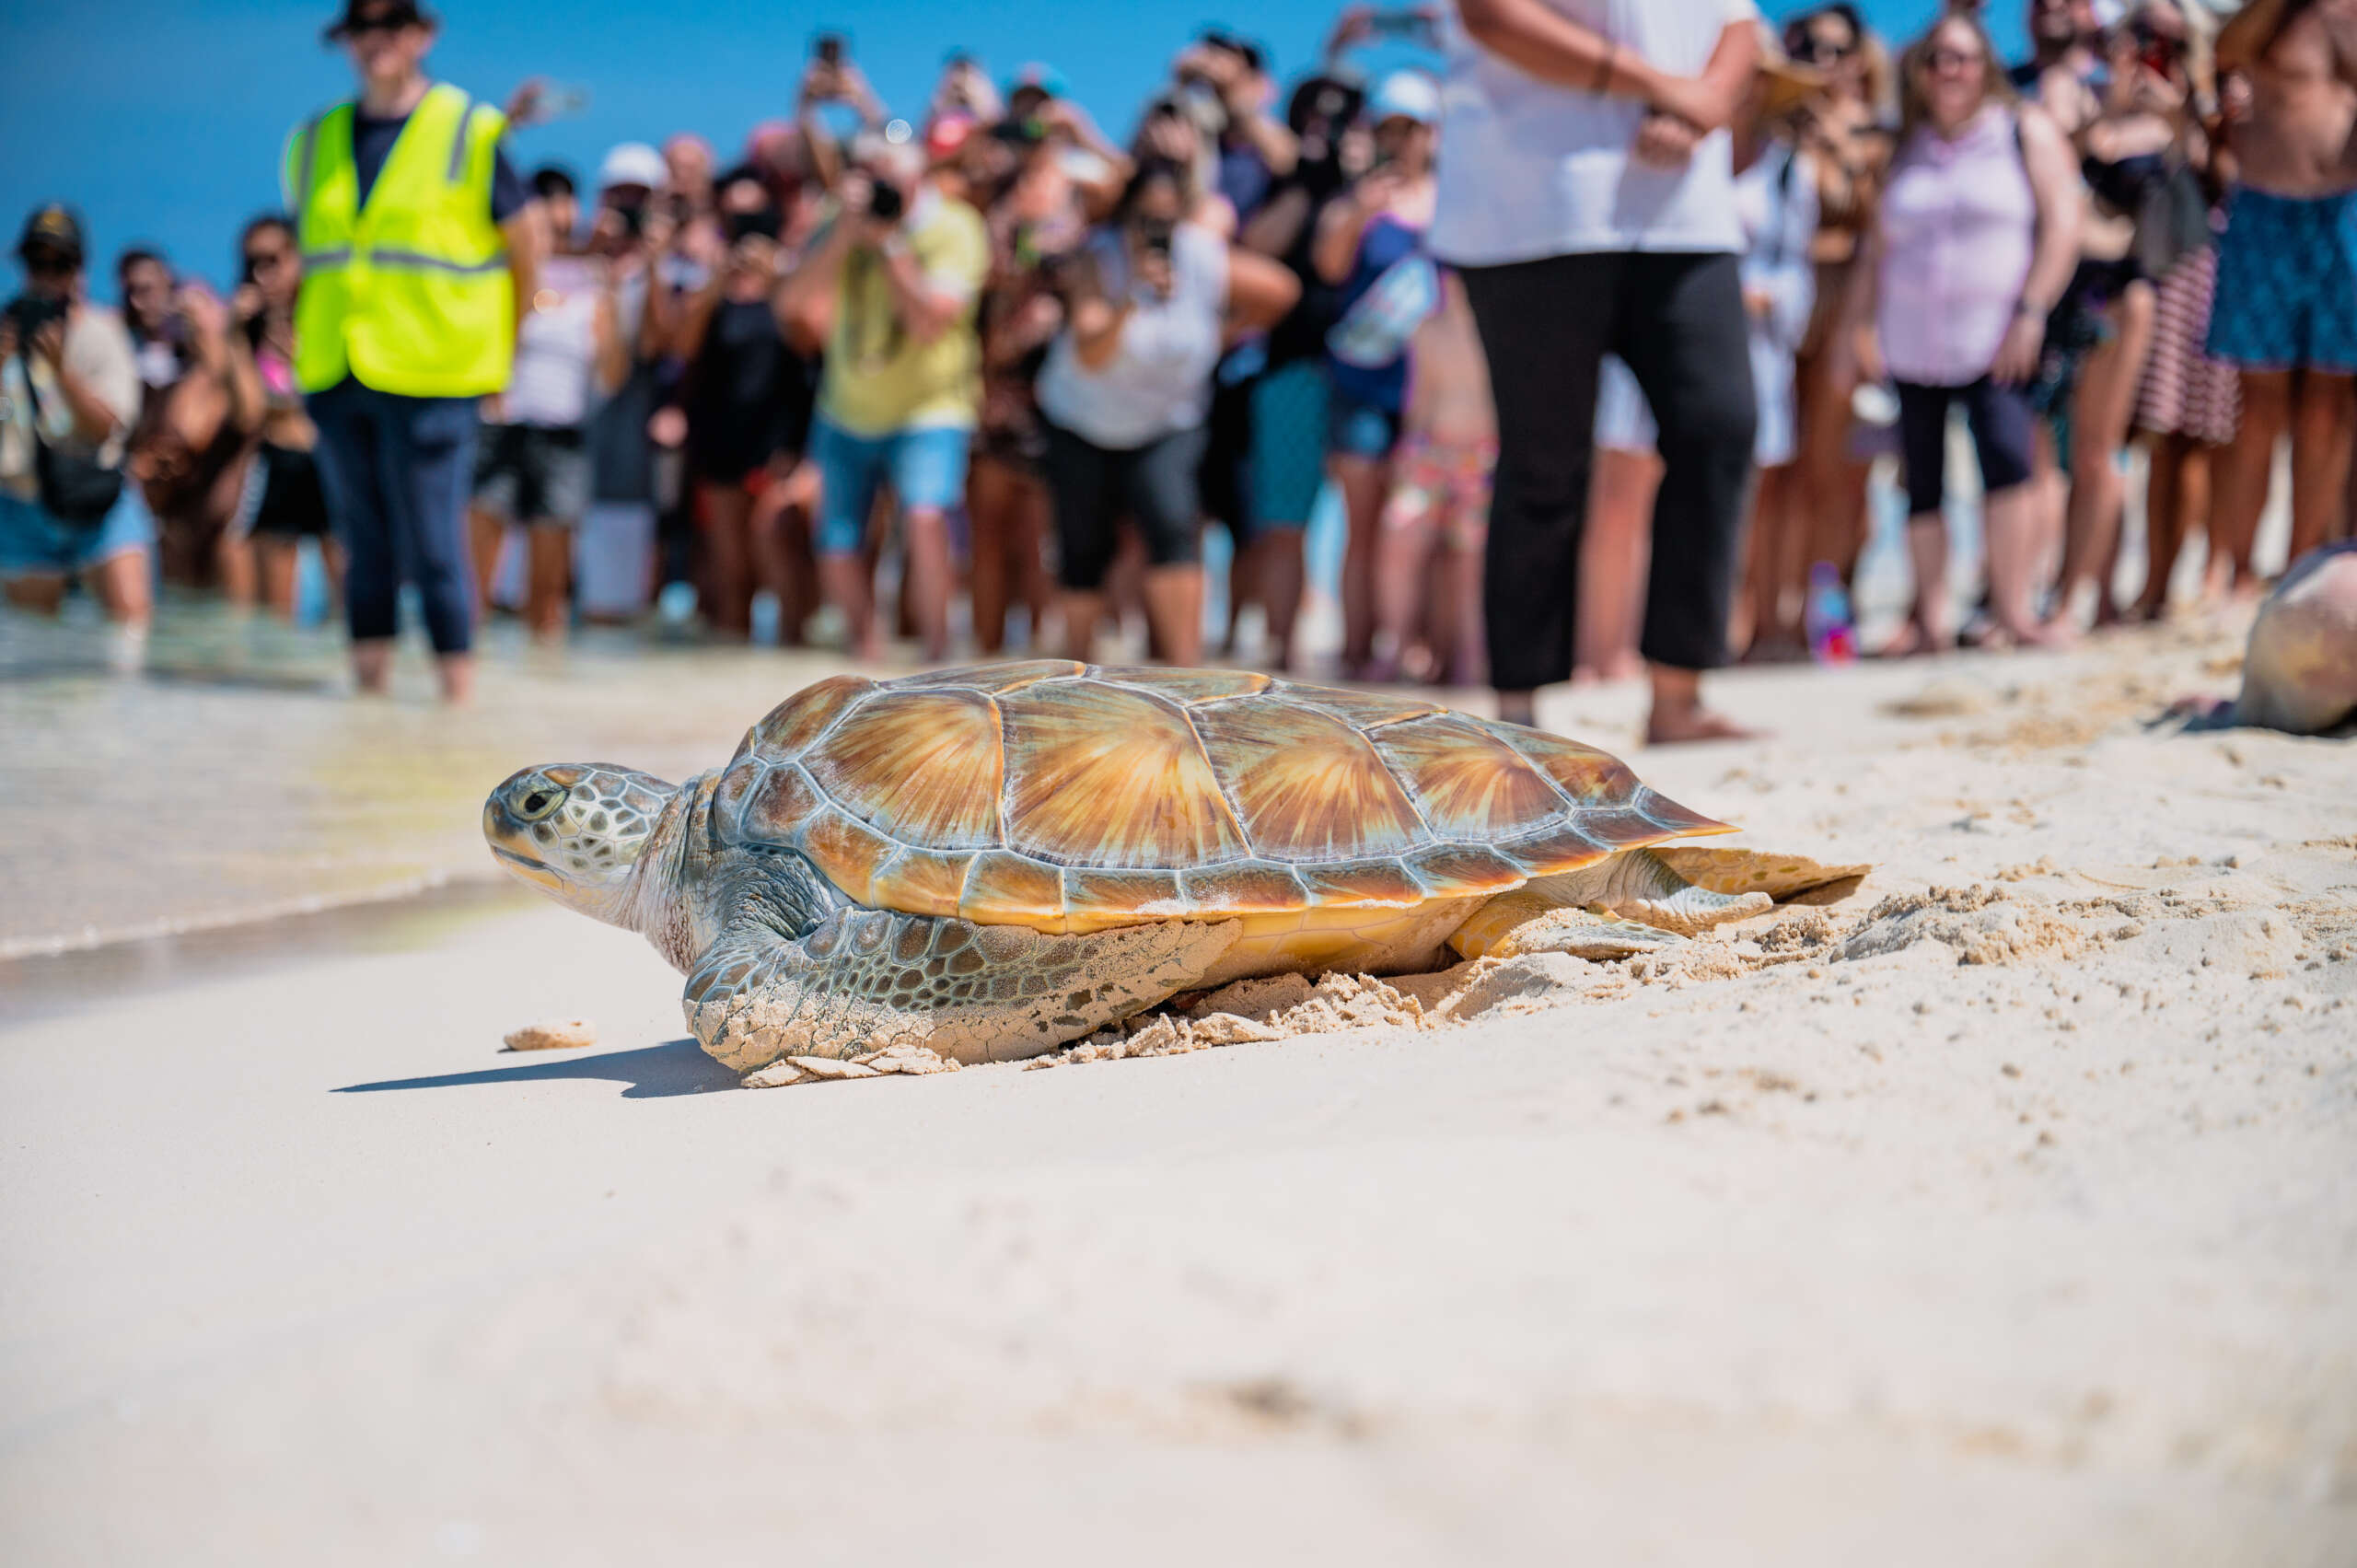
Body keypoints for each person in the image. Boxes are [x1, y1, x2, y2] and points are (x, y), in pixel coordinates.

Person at [1438, 0, 1764, 743]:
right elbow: (1490, 16)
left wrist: (1704, 100)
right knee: (1544, 460)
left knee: (1720, 425)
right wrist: (1656, 84)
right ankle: (1520, 709)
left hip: (1685, 210)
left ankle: (1678, 693)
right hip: (1534, 207)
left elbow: (1738, 21)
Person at [284, 0, 545, 702]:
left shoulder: (468, 127)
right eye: (364, 26)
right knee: (360, 542)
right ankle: (370, 705)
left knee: (435, 543)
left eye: (395, 23)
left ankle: (455, 703)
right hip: (337, 366)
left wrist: (504, 353)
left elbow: (528, 246)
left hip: (439, 369)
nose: (379, 39)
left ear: (423, 35)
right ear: (346, 39)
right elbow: (315, 256)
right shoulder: (312, 140)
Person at [1841, 13, 2082, 653]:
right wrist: (1858, 328)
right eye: (1938, 59)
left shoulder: (2022, 130)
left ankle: (2013, 609)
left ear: (1986, 67)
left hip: (1997, 334)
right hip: (1911, 339)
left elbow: (2063, 224)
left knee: (2007, 463)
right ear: (1920, 71)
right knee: (1920, 477)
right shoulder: (1904, 147)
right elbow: (1874, 251)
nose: (1950, 70)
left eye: (1964, 58)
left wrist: (2032, 311)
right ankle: (1928, 619)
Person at [1586, 52, 1824, 668]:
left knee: (1721, 496)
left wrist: (1757, 296)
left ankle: (1703, 649)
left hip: (1746, 345)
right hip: (1654, 332)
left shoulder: (1788, 173)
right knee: (1622, 498)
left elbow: (1798, 268)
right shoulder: (1662, 140)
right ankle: (1606, 650)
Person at [1033, 158, 1299, 664]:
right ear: (1126, 214)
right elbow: (1091, 350)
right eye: (1145, 219)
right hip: (1082, 418)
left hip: (1167, 422)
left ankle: (1185, 673)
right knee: (1082, 543)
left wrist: (1223, 335)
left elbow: (1282, 291)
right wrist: (1131, 296)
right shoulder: (1099, 258)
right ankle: (1072, 671)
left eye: (1165, 220)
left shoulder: (1202, 256)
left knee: (1174, 524)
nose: (1155, 231)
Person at [776, 135, 991, 661]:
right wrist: (843, 235)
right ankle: (865, 656)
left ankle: (939, 658)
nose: (874, 185)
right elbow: (793, 307)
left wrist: (891, 243)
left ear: (916, 176)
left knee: (925, 517)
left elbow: (928, 324)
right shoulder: (838, 220)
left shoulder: (955, 225)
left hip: (931, 406)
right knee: (837, 537)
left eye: (884, 175)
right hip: (845, 406)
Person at [2207, 0, 2357, 581]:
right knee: (2259, 405)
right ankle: (2241, 568)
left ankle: (2302, 565)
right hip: (2268, 210)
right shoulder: (2274, 16)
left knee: (2330, 402)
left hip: (2346, 214)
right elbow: (2225, 51)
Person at [1316, 70, 1442, 679]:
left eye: (1410, 129)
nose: (1400, 141)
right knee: (1362, 521)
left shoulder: (1453, 200)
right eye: (1389, 129)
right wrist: (1360, 211)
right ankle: (1359, 649)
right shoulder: (1358, 203)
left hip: (1434, 391)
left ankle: (1418, 644)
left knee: (1423, 524)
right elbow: (1329, 266)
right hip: (1362, 383)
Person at [468, 164, 623, 640]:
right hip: (500, 429)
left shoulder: (595, 288)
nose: (554, 229)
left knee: (547, 600)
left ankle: (541, 694)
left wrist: (610, 287)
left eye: (562, 220)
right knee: (475, 590)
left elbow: (613, 376)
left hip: (562, 436)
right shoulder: (499, 275)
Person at [0, 203, 154, 642]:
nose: (47, 274)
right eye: (37, 262)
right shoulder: (4, 337)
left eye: (60, 263)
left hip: (101, 501)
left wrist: (60, 373)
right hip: (24, 504)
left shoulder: (103, 332)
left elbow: (107, 428)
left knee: (131, 640)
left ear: (79, 269)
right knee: (35, 651)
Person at [677, 171, 814, 641]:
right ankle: (734, 673)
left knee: (776, 553)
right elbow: (683, 345)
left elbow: (811, 346)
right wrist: (717, 276)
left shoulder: (790, 285)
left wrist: (779, 280)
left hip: (777, 442)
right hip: (721, 441)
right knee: (729, 567)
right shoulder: (717, 296)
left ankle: (797, 666)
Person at [968, 113, 1084, 654]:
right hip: (1000, 383)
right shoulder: (991, 205)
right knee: (992, 539)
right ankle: (987, 659)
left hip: (1052, 392)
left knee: (1037, 541)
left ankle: (1035, 663)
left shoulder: (1075, 200)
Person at [1365, 266, 1493, 686]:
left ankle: (1470, 657)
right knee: (1400, 542)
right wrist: (1406, 451)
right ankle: (1396, 646)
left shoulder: (1500, 330)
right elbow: (1418, 398)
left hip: (1481, 456)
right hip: (1429, 452)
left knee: (1470, 560)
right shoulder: (1426, 329)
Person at [118, 246, 262, 600]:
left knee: (237, 642)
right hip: (178, 536)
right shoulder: (174, 383)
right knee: (182, 642)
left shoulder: (236, 376)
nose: (191, 324)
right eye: (184, 318)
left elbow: (250, 414)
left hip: (225, 539)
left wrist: (231, 335)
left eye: (199, 316)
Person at [229, 215, 342, 621]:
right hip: (277, 464)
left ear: (299, 259)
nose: (263, 275)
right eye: (253, 264)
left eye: (273, 261)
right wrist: (236, 338)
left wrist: (303, 362)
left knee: (352, 603)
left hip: (331, 460)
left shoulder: (327, 316)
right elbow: (248, 414)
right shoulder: (246, 334)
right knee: (275, 618)